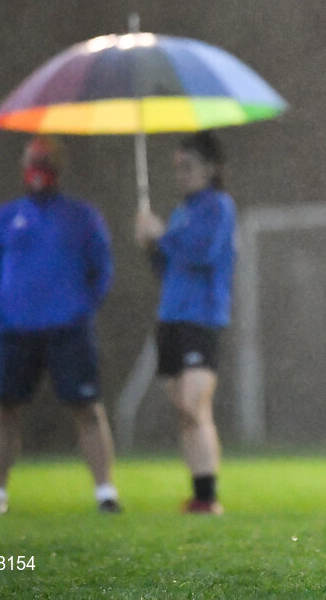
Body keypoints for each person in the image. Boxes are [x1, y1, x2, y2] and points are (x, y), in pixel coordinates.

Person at [0, 136, 121, 514]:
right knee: (4, 408)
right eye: (32, 158)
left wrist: (81, 308)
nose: (37, 165)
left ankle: (105, 492)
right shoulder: (7, 217)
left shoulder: (82, 215)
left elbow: (102, 270)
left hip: (68, 330)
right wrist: (2, 307)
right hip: (15, 331)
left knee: (87, 407)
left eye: (44, 158)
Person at [134, 131, 236, 514]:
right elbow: (168, 268)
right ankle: (199, 493)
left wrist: (164, 236)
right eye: (177, 167)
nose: (181, 174)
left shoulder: (219, 207)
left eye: (188, 166)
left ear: (211, 168)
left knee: (194, 403)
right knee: (181, 407)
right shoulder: (181, 212)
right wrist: (150, 247)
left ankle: (210, 498)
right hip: (171, 318)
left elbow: (203, 253)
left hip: (202, 317)